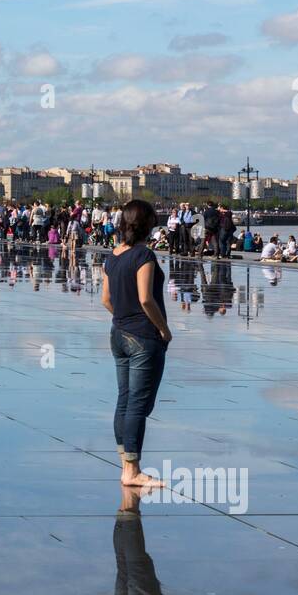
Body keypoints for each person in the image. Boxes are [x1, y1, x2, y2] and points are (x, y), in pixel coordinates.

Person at [101, 199, 172, 488]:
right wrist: (163, 329)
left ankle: (126, 466)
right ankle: (132, 472)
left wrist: (122, 317)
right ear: (147, 224)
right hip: (143, 337)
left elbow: (106, 299)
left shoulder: (113, 255)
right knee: (138, 404)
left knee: (125, 399)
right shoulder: (144, 256)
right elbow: (146, 298)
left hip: (118, 334)